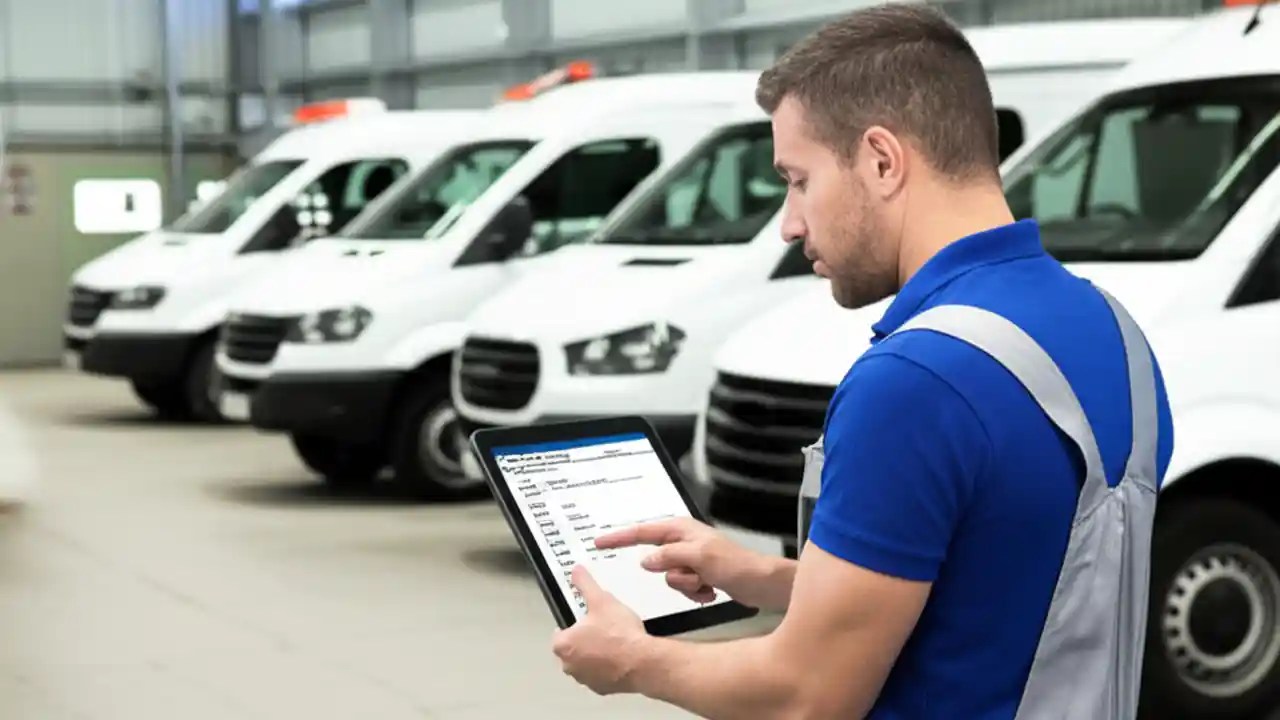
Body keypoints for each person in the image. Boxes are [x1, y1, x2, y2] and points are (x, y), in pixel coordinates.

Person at [550, 4, 1175, 719]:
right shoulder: (1115, 335)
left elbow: (806, 695)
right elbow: (989, 594)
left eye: (798, 179)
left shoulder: (919, 381)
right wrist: (761, 575)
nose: (789, 222)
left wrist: (633, 658)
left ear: (882, 160)